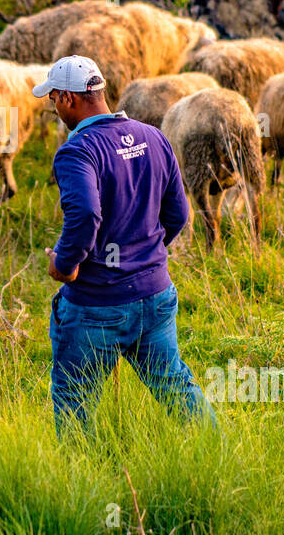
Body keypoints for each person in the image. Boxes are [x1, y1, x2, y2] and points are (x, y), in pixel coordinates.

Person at [32, 55, 215, 433]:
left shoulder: (77, 151)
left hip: (97, 305)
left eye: (53, 101)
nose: (54, 109)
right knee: (176, 386)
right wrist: (143, 257)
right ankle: (218, 454)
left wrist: (64, 265)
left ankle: (78, 482)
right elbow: (178, 214)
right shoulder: (153, 136)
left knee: (74, 398)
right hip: (156, 294)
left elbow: (85, 216)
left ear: (68, 98)